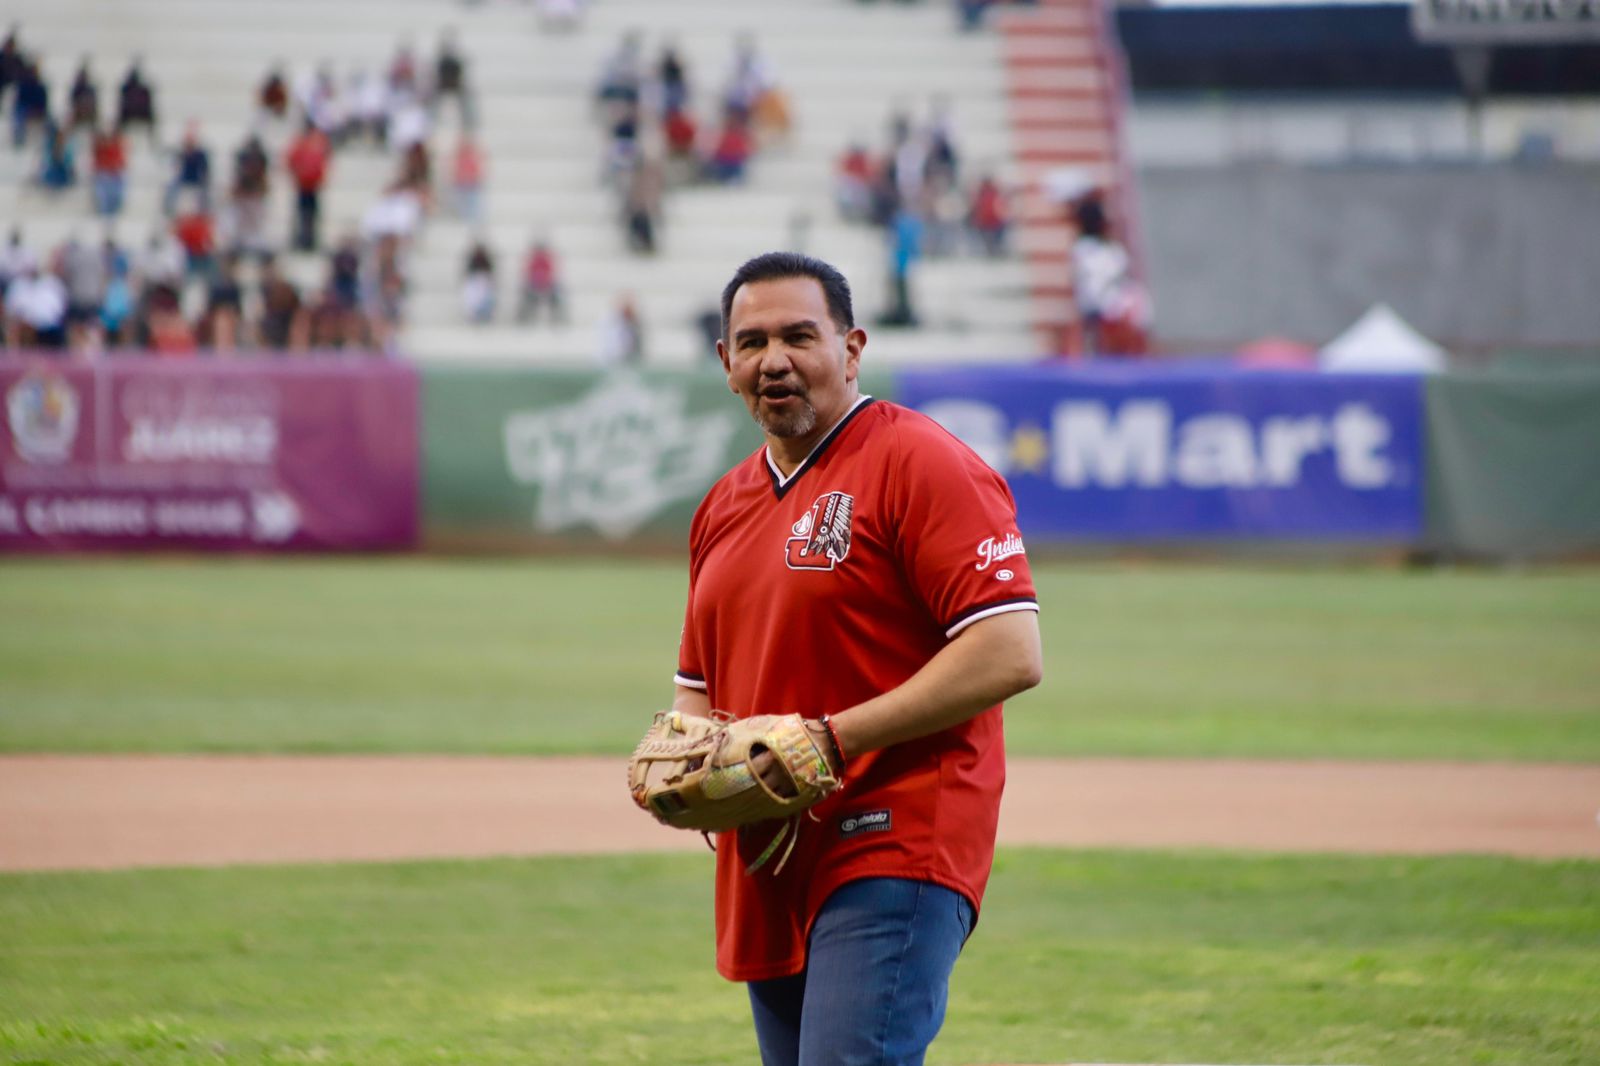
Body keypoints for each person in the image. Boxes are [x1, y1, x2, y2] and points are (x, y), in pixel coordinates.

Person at [668, 252, 1041, 1065]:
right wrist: (683, 765)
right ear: (726, 364)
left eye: (801, 336)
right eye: (752, 341)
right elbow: (698, 693)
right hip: (769, 852)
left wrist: (831, 738)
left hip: (895, 829)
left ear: (852, 348)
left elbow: (1009, 651)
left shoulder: (920, 461)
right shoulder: (721, 507)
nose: (776, 360)